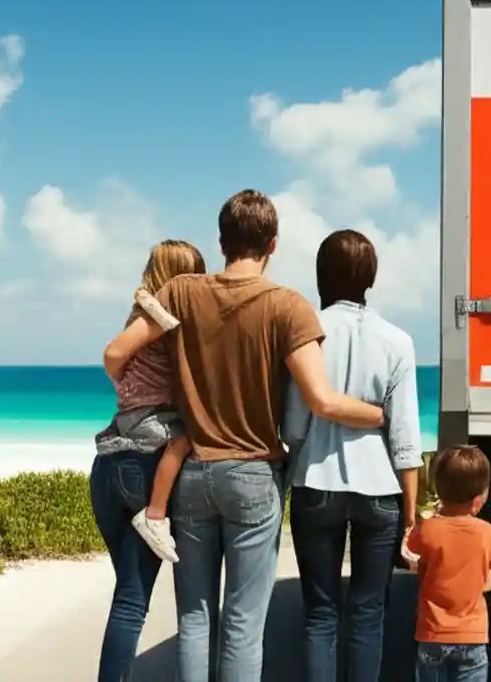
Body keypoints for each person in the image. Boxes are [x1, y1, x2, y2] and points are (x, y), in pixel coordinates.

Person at [103, 189, 388, 681]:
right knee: (243, 623)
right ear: (273, 245)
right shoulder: (288, 306)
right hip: (254, 473)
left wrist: (140, 403)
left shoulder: (181, 292)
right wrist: (377, 415)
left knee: (195, 618)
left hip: (192, 474)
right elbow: (320, 400)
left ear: (221, 241)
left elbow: (116, 353)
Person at [282, 229, 423, 682]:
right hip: (380, 491)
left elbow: (294, 427)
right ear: (371, 278)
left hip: (316, 485)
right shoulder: (397, 341)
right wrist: (411, 513)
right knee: (369, 614)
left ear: (322, 275)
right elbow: (405, 439)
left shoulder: (307, 335)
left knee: (320, 614)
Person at [89, 239, 205, 682]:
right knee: (132, 601)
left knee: (127, 592)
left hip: (110, 463)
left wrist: (127, 392)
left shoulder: (150, 315)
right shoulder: (156, 318)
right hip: (147, 455)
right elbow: (113, 355)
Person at [405, 445, 491, 682]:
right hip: (472, 634)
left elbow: (413, 562)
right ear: (480, 497)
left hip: (432, 633)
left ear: (438, 489)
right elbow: (488, 583)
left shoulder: (426, 530)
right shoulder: (488, 533)